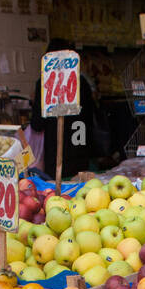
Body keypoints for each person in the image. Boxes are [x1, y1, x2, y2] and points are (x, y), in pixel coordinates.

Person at [30, 40, 96, 182]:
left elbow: (37, 124)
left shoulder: (43, 83)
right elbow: (89, 118)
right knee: (78, 185)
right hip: (79, 142)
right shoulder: (83, 83)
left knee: (58, 185)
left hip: (56, 151)